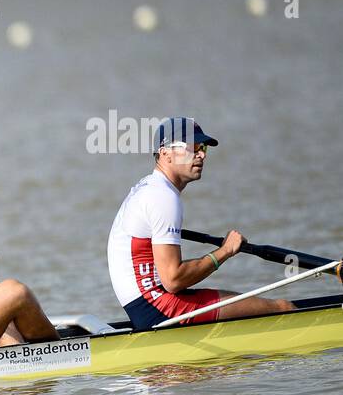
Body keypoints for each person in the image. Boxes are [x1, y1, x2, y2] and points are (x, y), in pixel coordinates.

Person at [107, 117, 294, 329]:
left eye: (203, 147)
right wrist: (225, 251)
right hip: (160, 308)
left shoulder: (147, 187)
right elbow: (173, 280)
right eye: (193, 147)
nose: (202, 154)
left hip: (146, 307)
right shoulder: (163, 197)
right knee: (283, 309)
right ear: (165, 153)